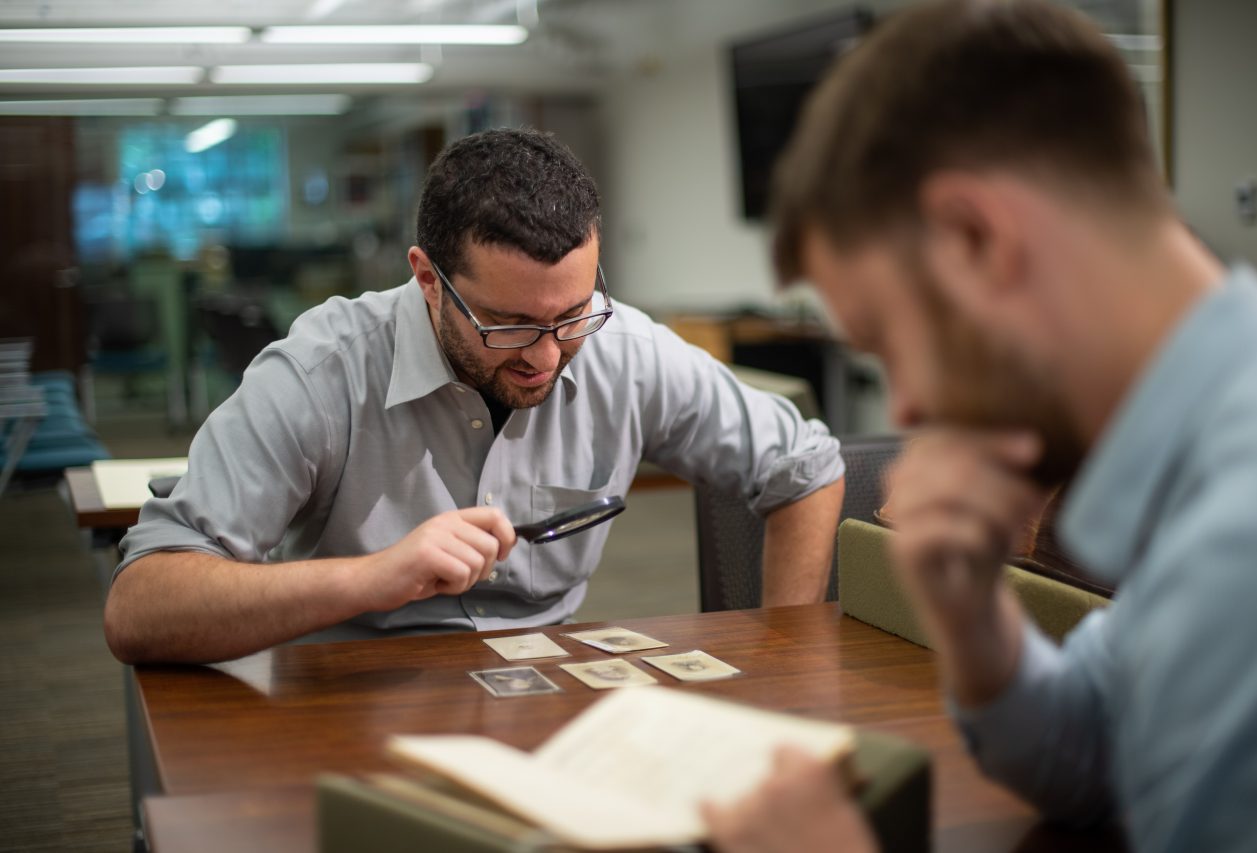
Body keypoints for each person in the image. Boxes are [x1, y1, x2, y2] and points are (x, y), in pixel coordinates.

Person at [704, 1, 1257, 851]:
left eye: (891, 341)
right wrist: (972, 618)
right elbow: (1092, 747)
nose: (901, 411)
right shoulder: (1212, 458)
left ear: (979, 237)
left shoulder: (1250, 534)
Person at [104, 128, 845, 665]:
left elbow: (806, 466)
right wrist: (370, 578)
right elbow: (142, 604)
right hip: (343, 698)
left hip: (546, 689)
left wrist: (783, 662)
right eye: (510, 324)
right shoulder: (321, 371)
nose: (548, 355)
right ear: (428, 278)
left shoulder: (627, 348)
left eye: (572, 314)